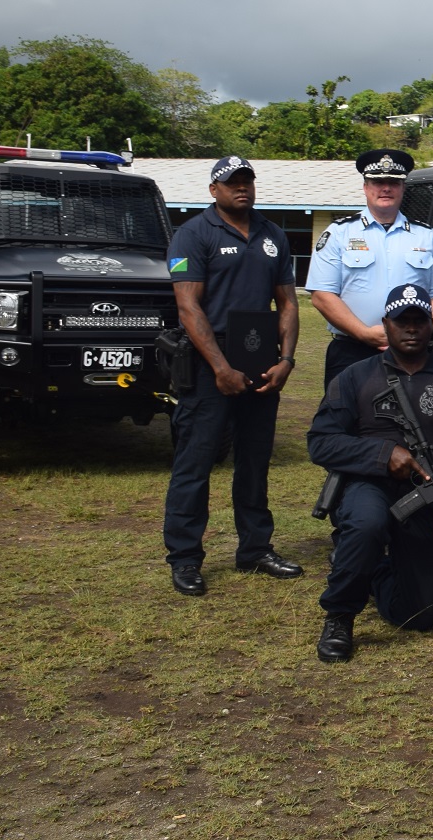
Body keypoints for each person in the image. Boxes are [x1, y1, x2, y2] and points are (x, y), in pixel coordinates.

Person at [306, 284, 433, 663]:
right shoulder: (355, 377)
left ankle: (371, 570)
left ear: (431, 324)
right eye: (402, 320)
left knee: (418, 616)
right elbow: (321, 442)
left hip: (427, 496)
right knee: (367, 525)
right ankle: (339, 615)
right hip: (368, 486)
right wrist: (382, 453)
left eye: (420, 320)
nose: (411, 328)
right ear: (385, 323)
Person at [162, 156, 302, 596]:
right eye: (232, 182)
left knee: (255, 461)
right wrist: (220, 368)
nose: (242, 188)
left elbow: (289, 303)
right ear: (214, 190)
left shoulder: (272, 234)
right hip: (209, 366)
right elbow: (188, 307)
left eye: (247, 181)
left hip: (261, 360)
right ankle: (185, 558)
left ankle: (255, 549)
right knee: (196, 462)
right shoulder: (193, 234)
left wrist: (286, 361)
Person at [307, 149, 433, 386]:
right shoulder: (339, 233)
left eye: (393, 182)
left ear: (403, 188)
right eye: (378, 181)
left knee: (420, 420)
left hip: (414, 353)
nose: (386, 188)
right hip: (352, 350)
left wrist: (415, 334)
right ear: (365, 187)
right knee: (347, 420)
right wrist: (363, 333)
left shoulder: (427, 236)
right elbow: (322, 295)